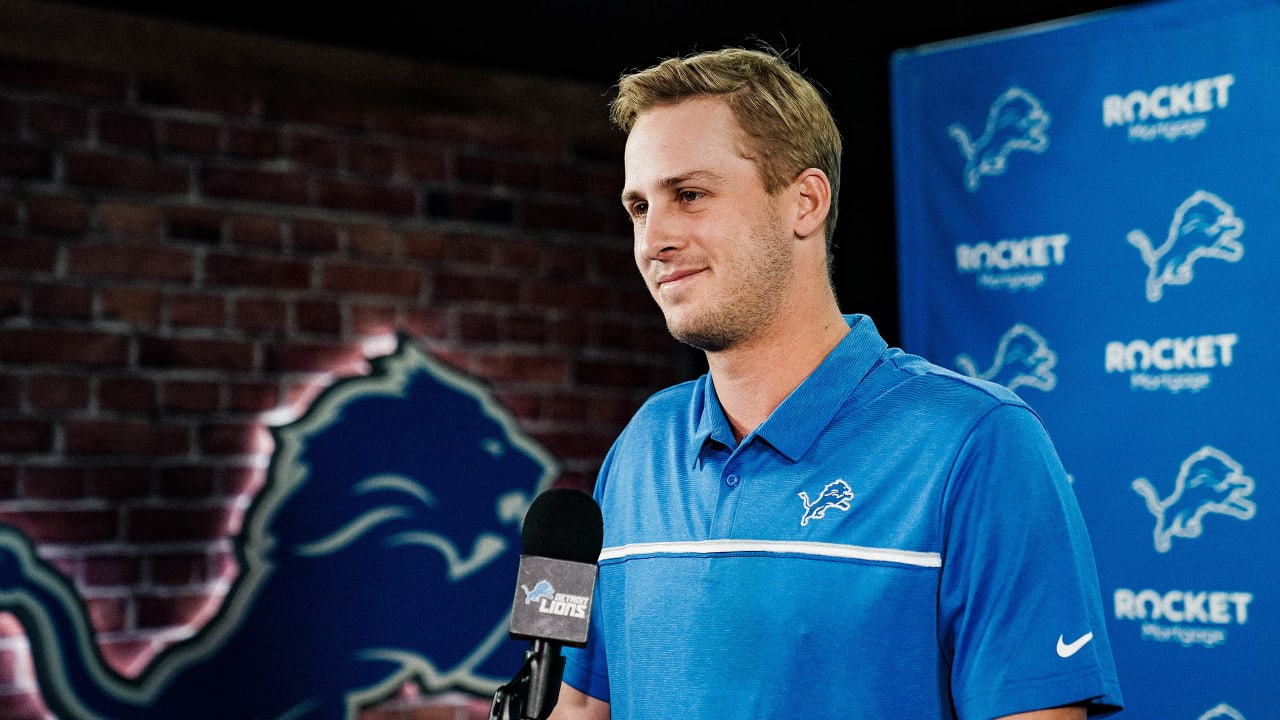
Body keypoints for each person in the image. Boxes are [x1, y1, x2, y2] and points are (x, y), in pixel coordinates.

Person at [549, 46, 1123, 720]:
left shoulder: (977, 444)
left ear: (805, 201)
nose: (655, 238)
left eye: (690, 195)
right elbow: (581, 707)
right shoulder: (641, 446)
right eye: (640, 207)